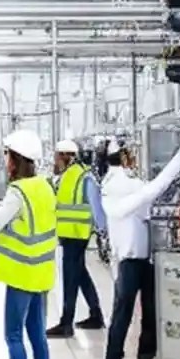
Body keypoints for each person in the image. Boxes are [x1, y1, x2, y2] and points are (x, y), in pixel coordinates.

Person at [99, 135, 180, 359]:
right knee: (123, 311)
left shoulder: (129, 183)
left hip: (146, 258)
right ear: (123, 158)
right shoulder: (116, 186)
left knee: (151, 311)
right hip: (128, 260)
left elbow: (152, 200)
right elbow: (154, 188)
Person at [0, 129, 58, 359]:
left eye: (7, 155)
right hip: (41, 273)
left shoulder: (17, 193)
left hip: (21, 274)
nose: (5, 160)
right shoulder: (45, 187)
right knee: (37, 335)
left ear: (16, 159)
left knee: (13, 335)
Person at [46, 139, 106, 338]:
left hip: (76, 235)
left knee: (70, 279)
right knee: (79, 274)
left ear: (66, 156)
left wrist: (103, 230)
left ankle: (66, 323)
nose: (55, 160)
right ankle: (96, 315)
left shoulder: (83, 176)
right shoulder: (67, 176)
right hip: (69, 234)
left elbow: (95, 205)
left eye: (57, 156)